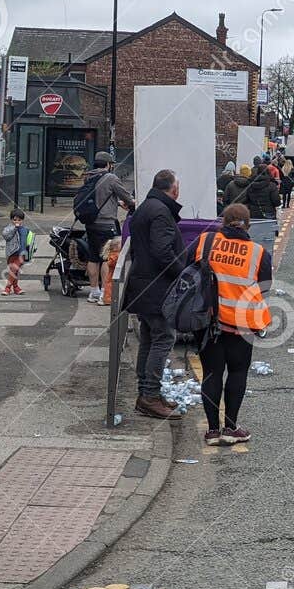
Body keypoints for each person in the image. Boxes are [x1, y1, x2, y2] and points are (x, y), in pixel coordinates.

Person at [196, 203, 272, 445]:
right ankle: (231, 427)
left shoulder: (206, 241)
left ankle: (211, 431)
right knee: (237, 373)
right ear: (247, 225)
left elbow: (190, 270)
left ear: (222, 222)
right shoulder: (259, 253)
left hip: (209, 322)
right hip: (242, 324)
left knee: (211, 374)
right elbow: (265, 287)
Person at [123, 170, 186, 420]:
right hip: (156, 287)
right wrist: (182, 274)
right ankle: (149, 396)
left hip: (144, 285)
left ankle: (147, 394)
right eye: (177, 186)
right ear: (173, 189)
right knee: (164, 339)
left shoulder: (146, 207)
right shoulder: (160, 211)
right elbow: (162, 251)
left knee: (149, 339)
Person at [80, 152, 135, 303]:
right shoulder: (111, 178)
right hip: (106, 223)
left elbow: (97, 197)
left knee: (93, 257)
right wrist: (131, 203)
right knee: (106, 257)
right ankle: (105, 291)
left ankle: (94, 292)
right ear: (108, 164)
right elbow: (127, 198)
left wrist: (116, 203)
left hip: (91, 223)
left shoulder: (88, 176)